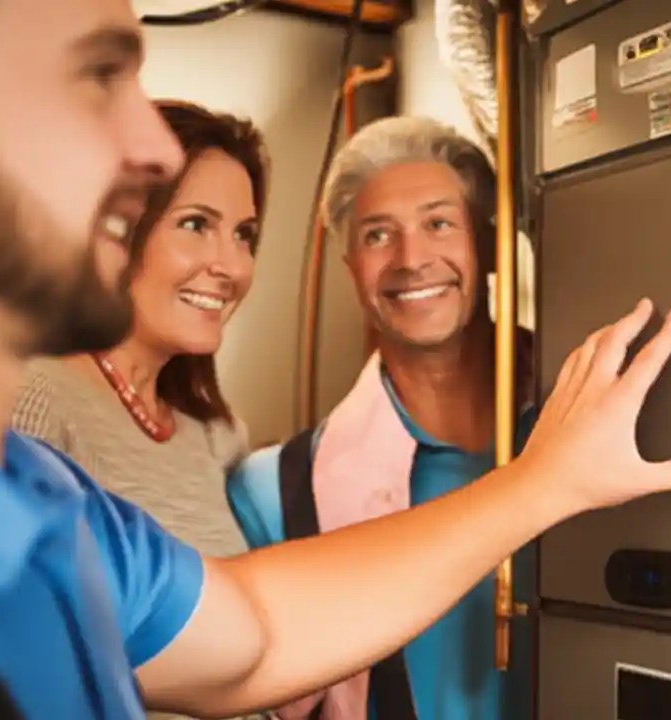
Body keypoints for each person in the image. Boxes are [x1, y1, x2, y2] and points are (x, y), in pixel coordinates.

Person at [0, 0, 671, 718]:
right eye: (96, 77)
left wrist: (549, 479)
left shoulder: (51, 505)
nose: (145, 145)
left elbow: (255, 636)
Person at [228, 116, 537, 720]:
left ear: (491, 247)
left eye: (438, 223)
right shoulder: (273, 492)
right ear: (352, 270)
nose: (411, 258)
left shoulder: (585, 430)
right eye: (377, 236)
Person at [9, 99, 266, 720]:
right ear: (118, 227)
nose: (230, 265)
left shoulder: (217, 435)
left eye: (244, 235)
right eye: (196, 224)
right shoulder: (35, 398)